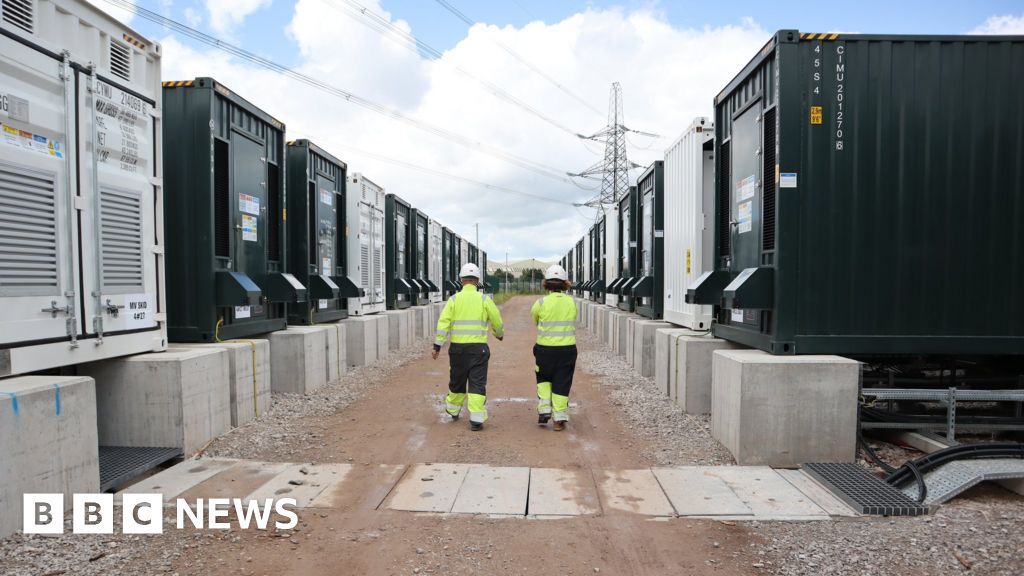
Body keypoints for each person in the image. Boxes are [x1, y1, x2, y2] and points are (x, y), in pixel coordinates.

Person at [432, 263, 504, 431]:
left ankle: (453, 409)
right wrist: (499, 334)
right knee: (477, 382)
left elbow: (443, 323)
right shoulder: (485, 299)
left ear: (461, 280)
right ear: (477, 280)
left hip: (457, 349)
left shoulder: (454, 300)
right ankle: (476, 419)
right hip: (479, 349)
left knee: (457, 379)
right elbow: (496, 319)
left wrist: (437, 345)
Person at [531, 264, 578, 431]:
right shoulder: (571, 302)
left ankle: (544, 410)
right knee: (562, 381)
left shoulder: (541, 302)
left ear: (547, 284)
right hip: (567, 349)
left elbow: (536, 320)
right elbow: (573, 318)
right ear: (564, 283)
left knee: (543, 377)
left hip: (544, 349)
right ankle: (558, 419)